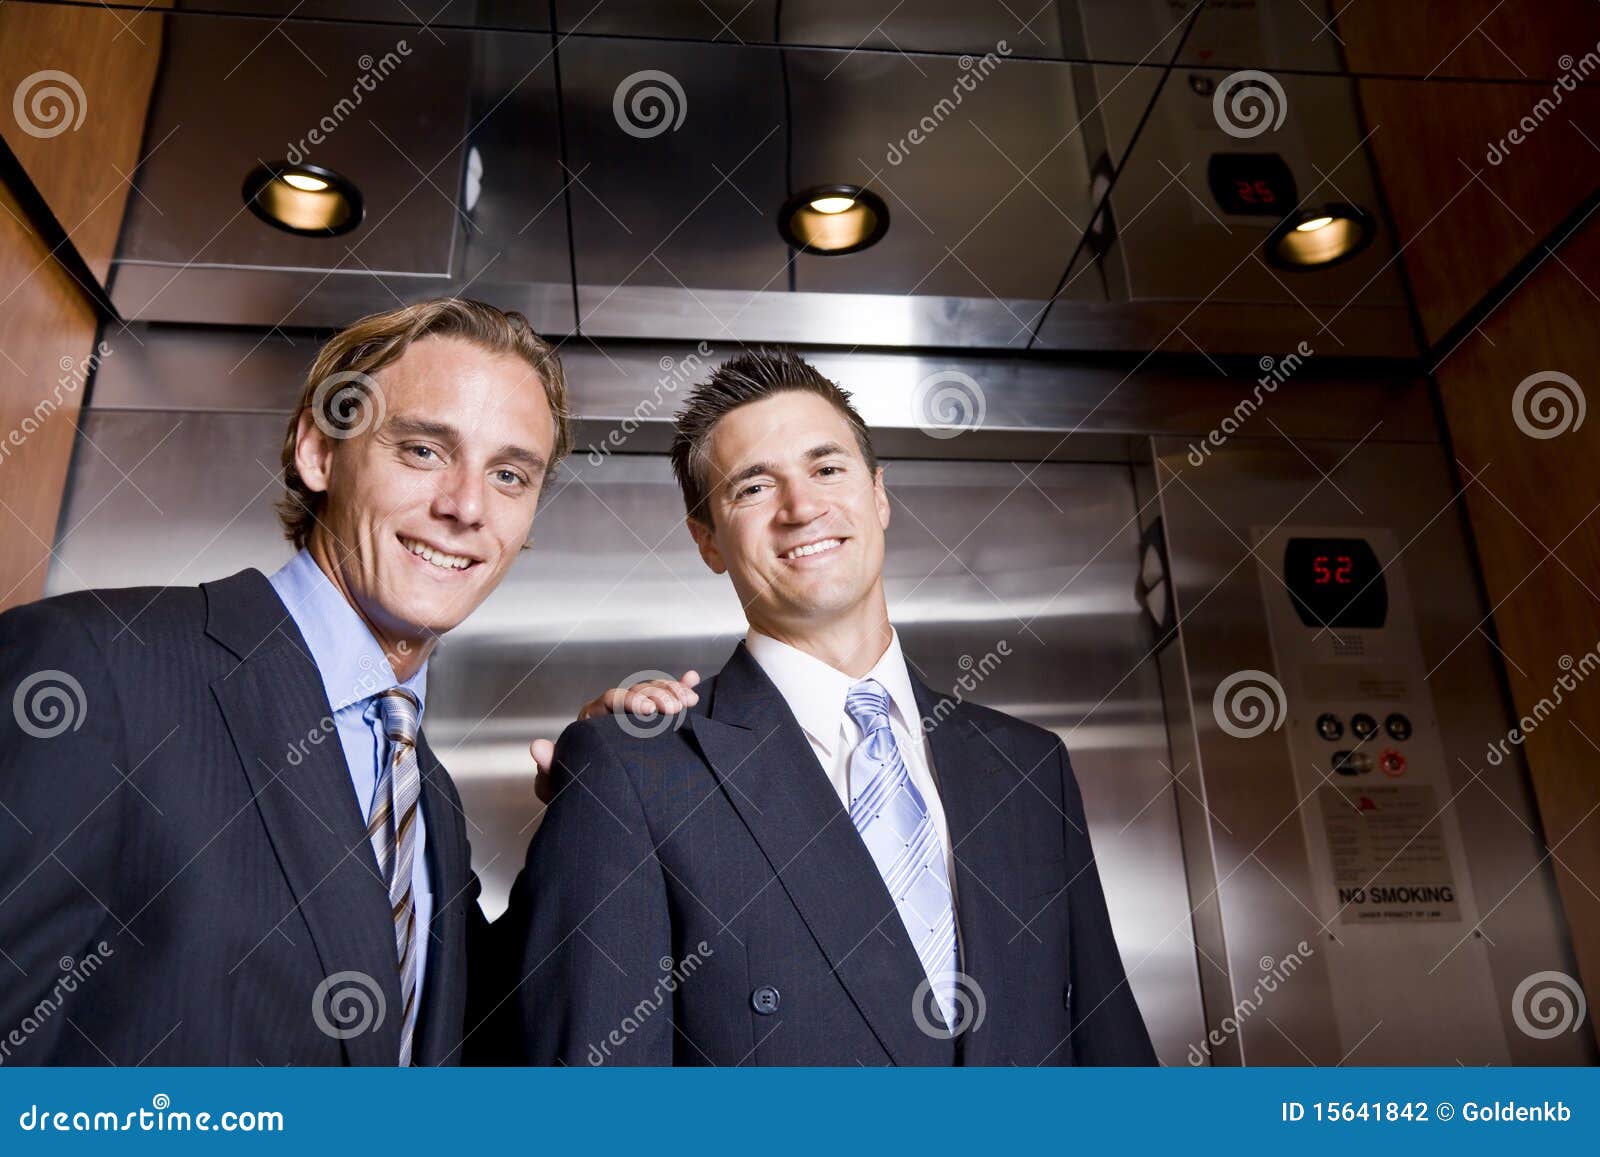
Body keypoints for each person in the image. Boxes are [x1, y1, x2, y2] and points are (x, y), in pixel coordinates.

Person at [0, 298, 692, 1066]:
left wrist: (601, 803)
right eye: (423, 450)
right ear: (318, 452)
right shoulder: (95, 668)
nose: (466, 506)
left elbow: (474, 1051)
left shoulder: (426, 793)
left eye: (508, 474)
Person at [495, 349, 1157, 1065]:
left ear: (879, 495)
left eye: (827, 468)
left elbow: (1113, 1056)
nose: (803, 507)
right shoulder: (637, 771)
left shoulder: (1029, 768)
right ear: (707, 540)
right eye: (754, 486)